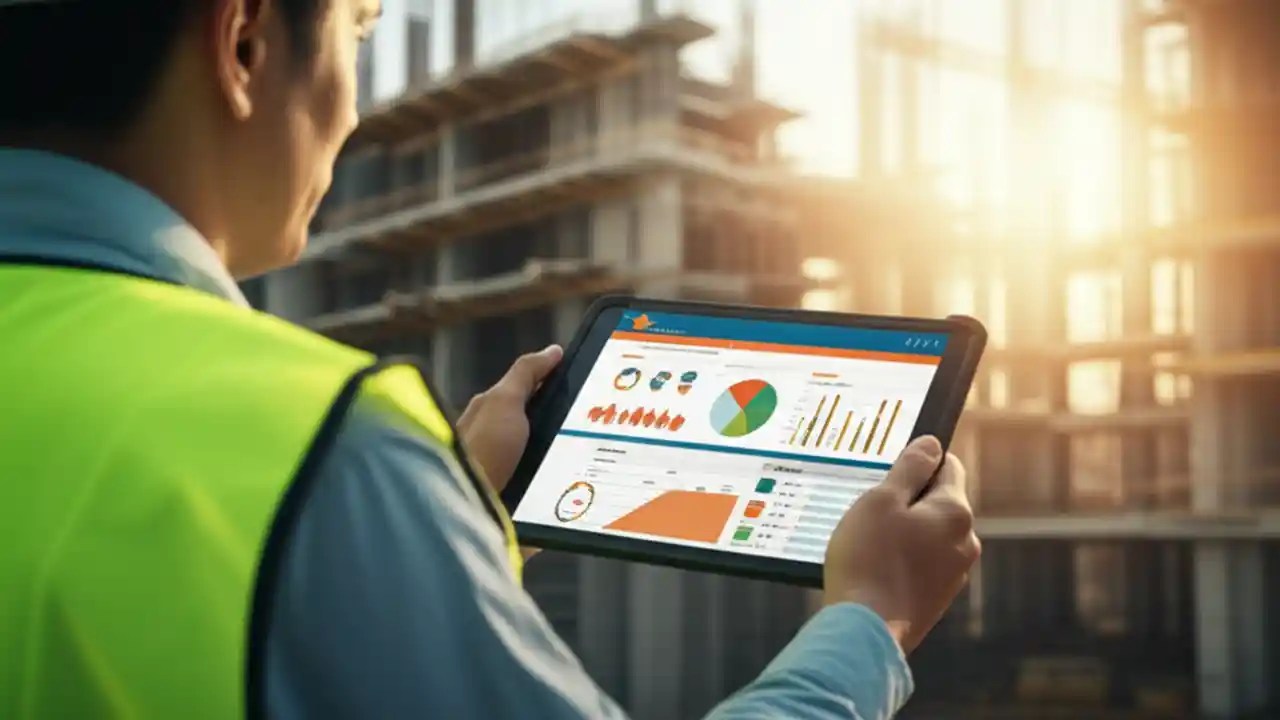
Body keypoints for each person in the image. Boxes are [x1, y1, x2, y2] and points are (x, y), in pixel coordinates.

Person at [0, 0, 981, 717]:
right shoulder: (319, 446)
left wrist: (445, 511)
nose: (349, 108)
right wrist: (870, 620)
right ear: (245, 41)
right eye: (362, 27)